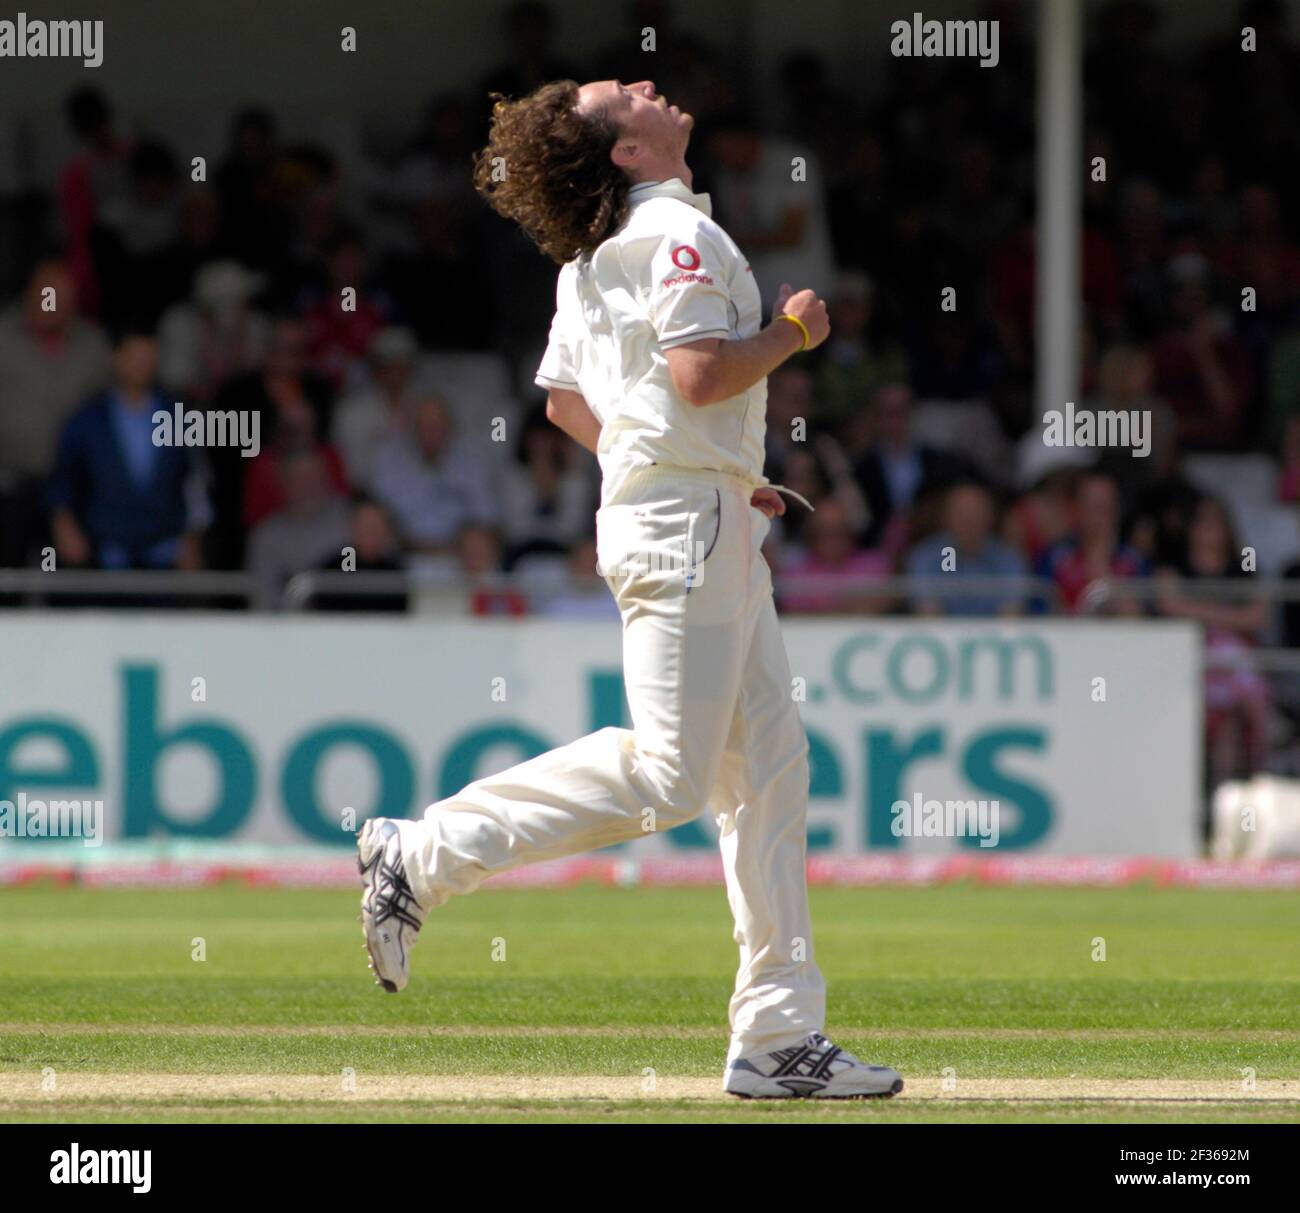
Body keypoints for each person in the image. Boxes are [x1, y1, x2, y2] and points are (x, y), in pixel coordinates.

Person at [357, 78, 902, 1101]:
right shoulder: (670, 235)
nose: (646, 83)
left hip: (702, 516)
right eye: (621, 93)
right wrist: (794, 334)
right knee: (672, 778)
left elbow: (568, 402)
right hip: (690, 528)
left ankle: (780, 1037)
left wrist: (693, 471)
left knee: (771, 771)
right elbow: (700, 374)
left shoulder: (587, 261)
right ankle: (422, 852)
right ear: (622, 151)